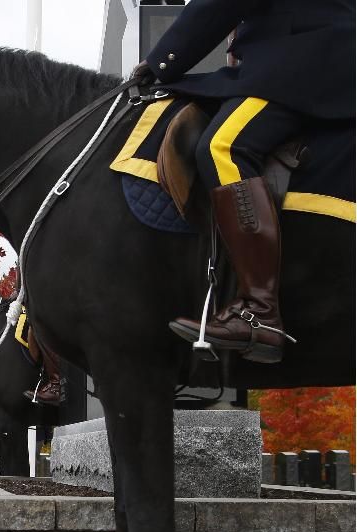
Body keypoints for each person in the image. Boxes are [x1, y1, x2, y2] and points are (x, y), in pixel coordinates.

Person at [135, 0, 356, 364]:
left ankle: (259, 310)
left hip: (303, 58)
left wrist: (163, 60)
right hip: (301, 54)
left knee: (223, 147)